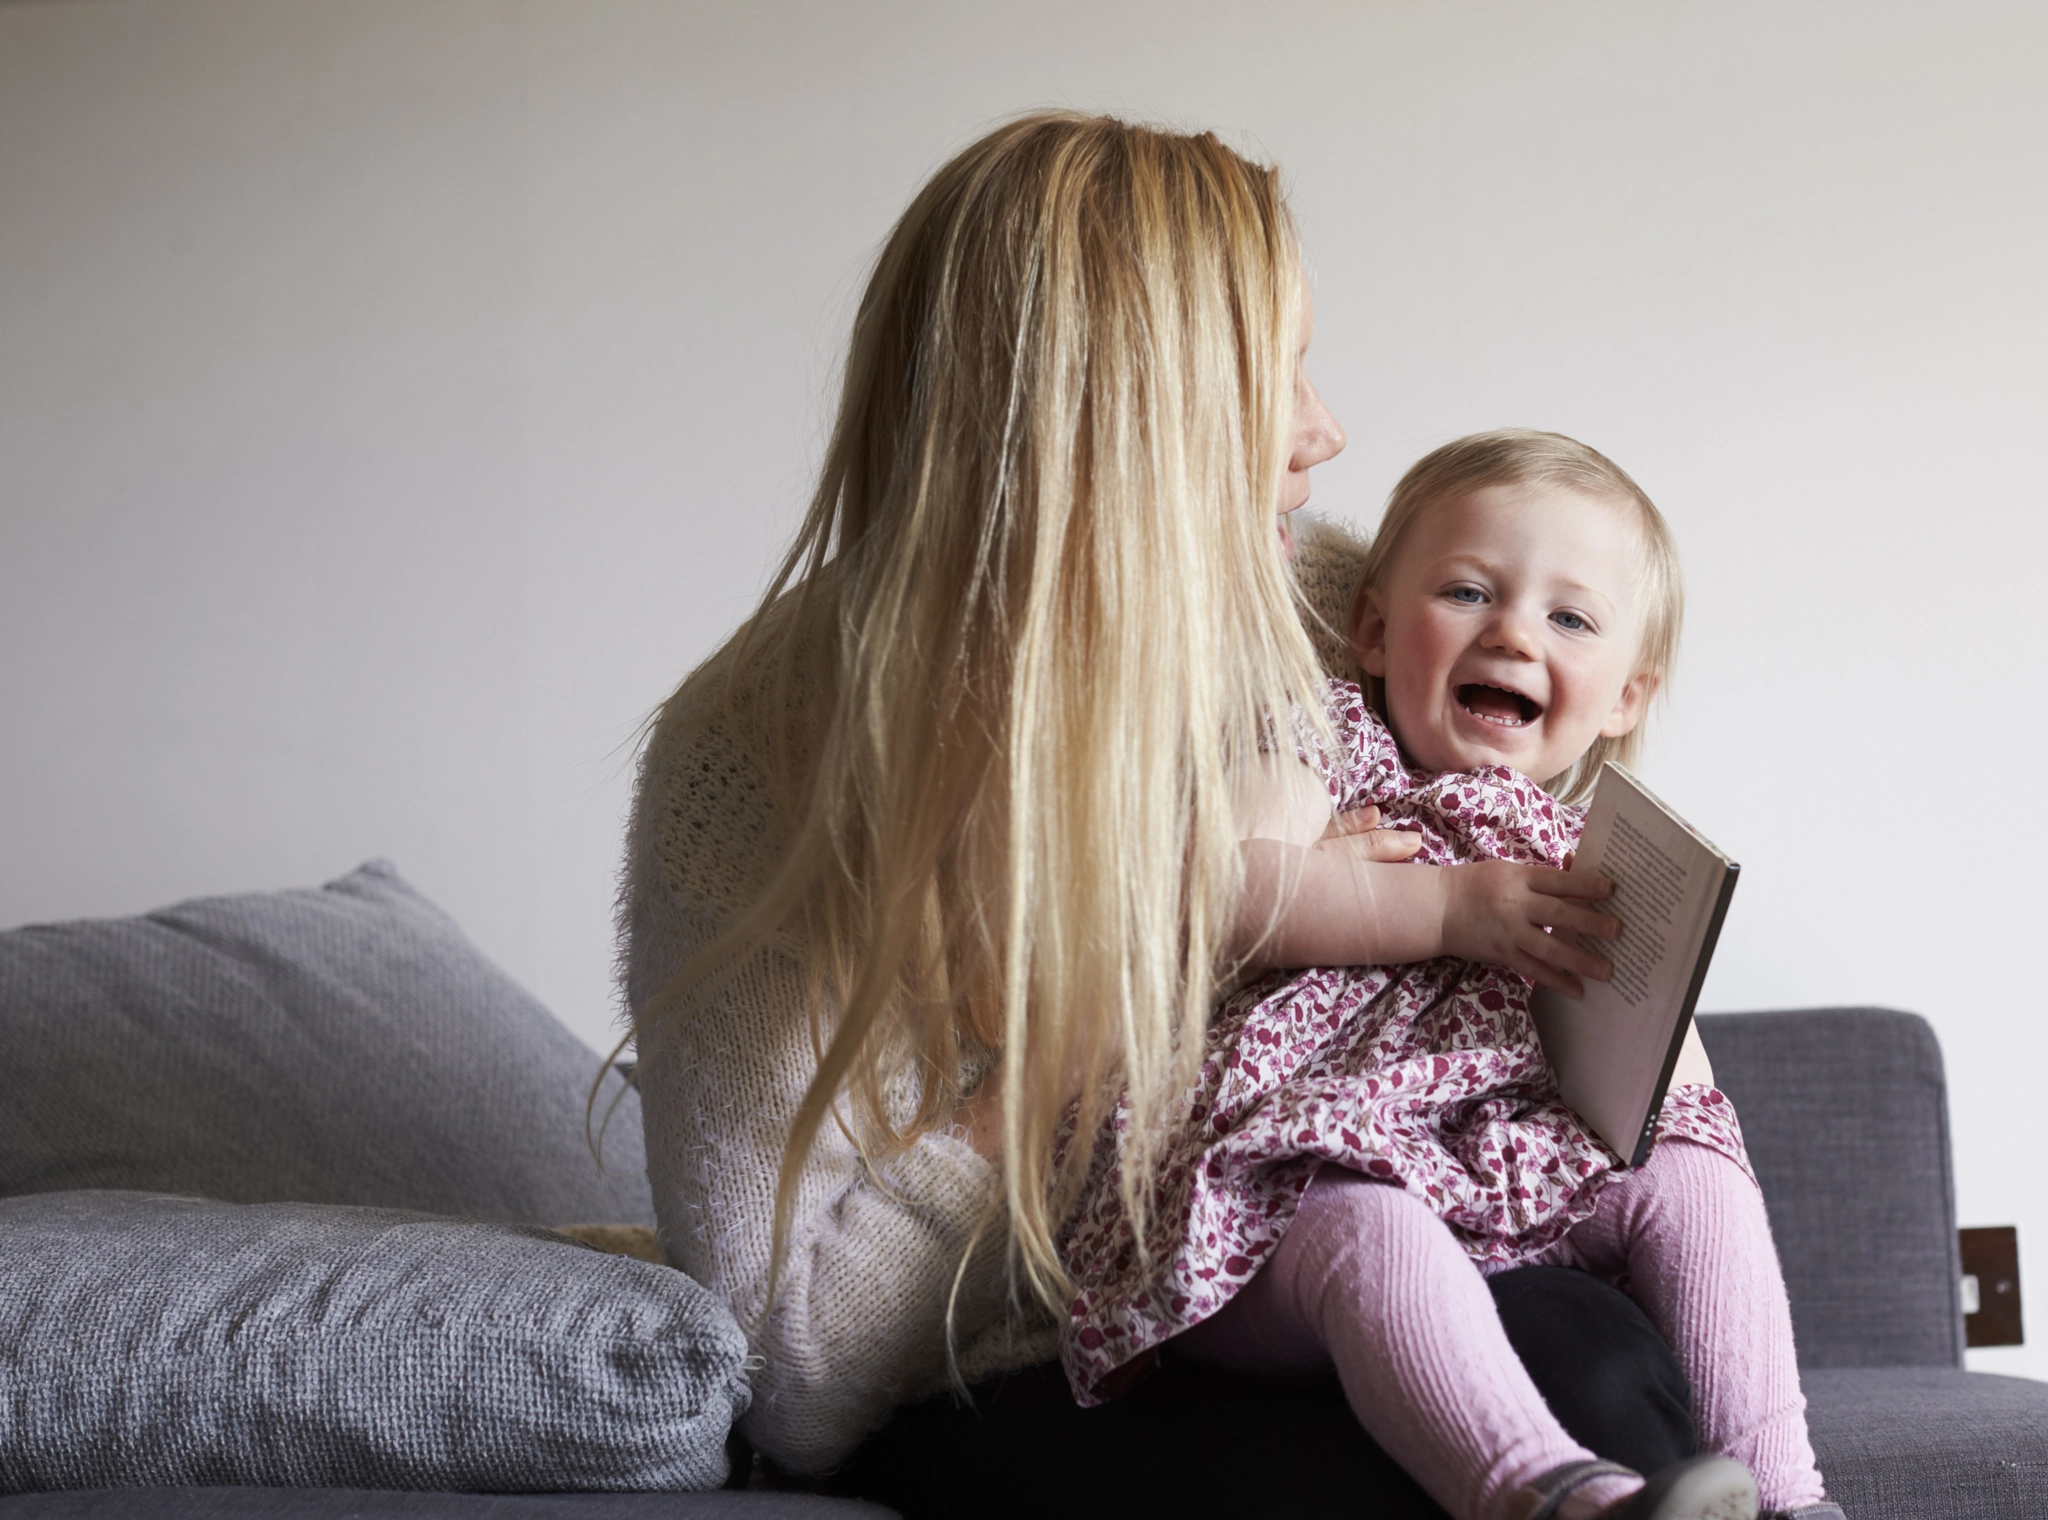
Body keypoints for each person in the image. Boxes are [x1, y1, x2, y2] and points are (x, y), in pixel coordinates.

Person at [618, 111, 1703, 1506]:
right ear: (1122, 411)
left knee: (1578, 1347)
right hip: (1015, 1362)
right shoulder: (761, 757)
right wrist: (1149, 974)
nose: (1329, 432)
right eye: (1279, 373)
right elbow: (808, 1376)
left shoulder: (1320, 603)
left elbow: (1531, 816)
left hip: (1332, 1248)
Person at [1059, 430, 1845, 1520]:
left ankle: (1790, 1498)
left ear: (1622, 695)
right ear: (1375, 631)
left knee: (1690, 1169)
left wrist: (1666, 1094)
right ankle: (1550, 1494)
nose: (1514, 632)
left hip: (1495, 1177)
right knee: (1370, 1223)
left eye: (1568, 618)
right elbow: (1218, 889)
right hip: (1279, 1177)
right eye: (1469, 590)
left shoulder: (1586, 854)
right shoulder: (1324, 744)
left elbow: (1654, 1075)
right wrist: (1445, 904)